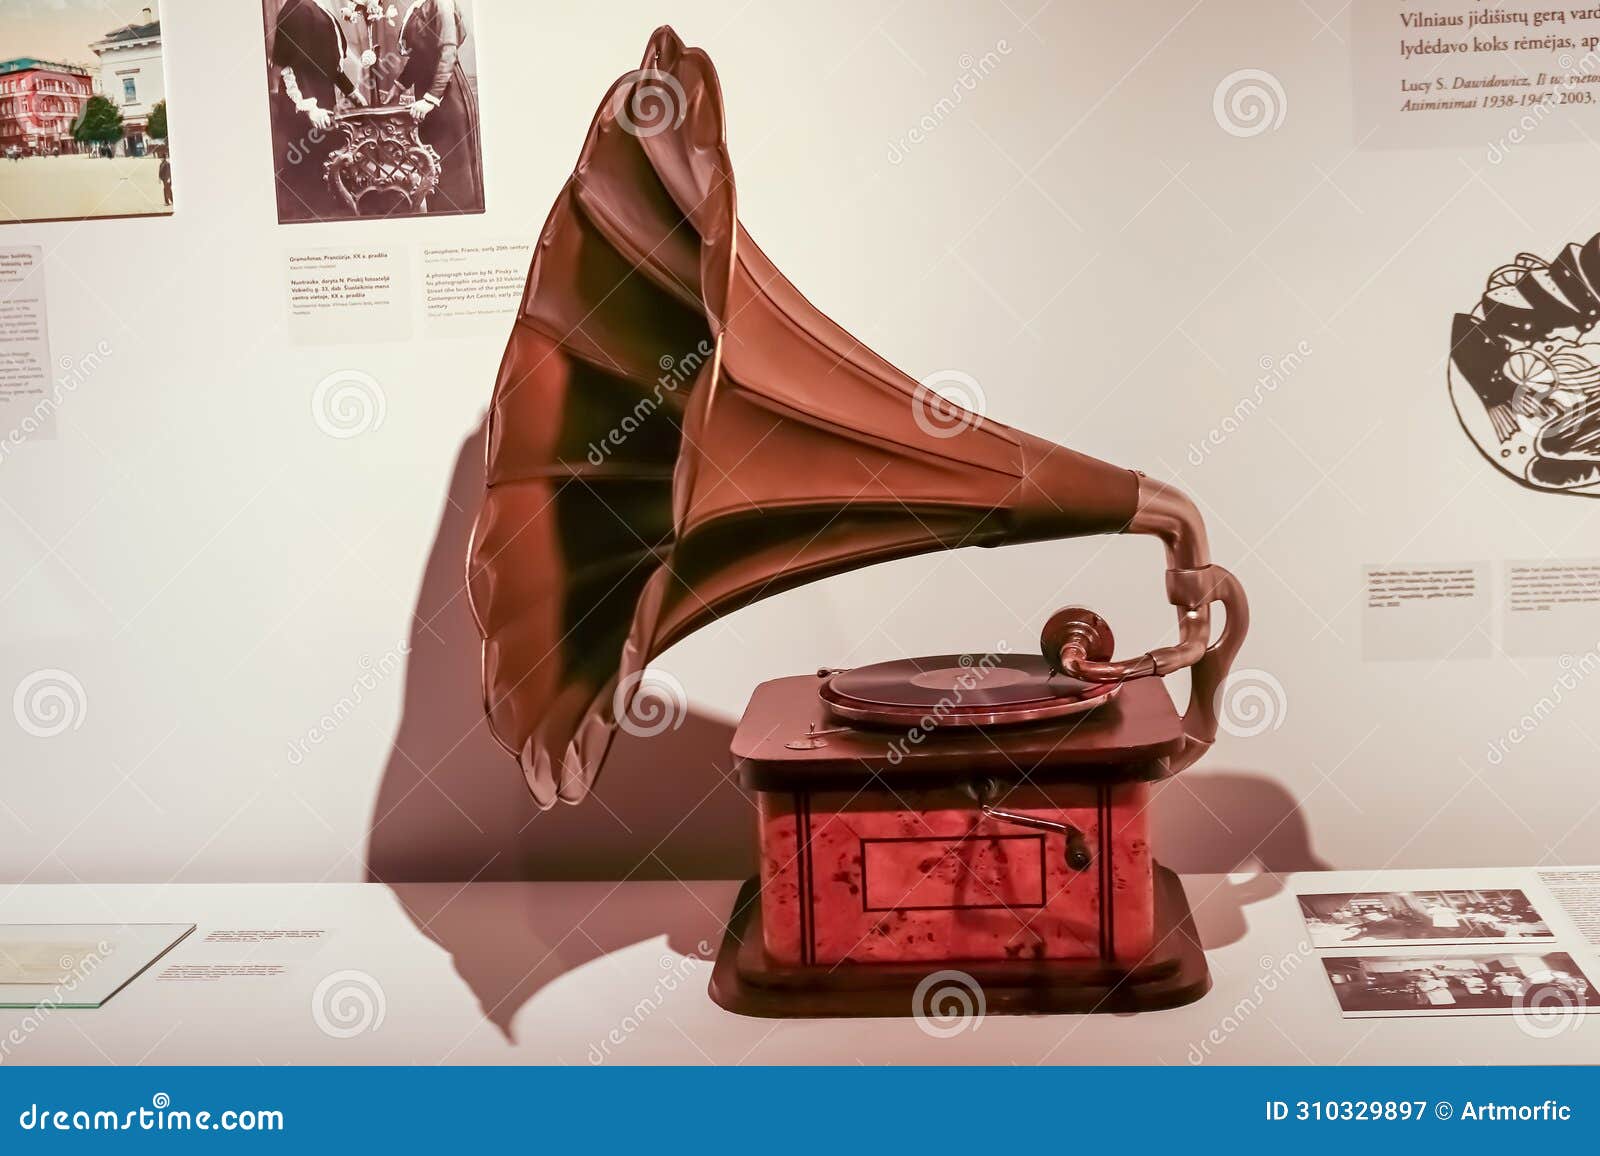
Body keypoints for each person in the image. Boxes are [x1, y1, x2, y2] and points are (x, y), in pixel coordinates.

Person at [270, 0, 366, 220]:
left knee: (322, 167)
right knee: (306, 175)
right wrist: (309, 108)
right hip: (304, 106)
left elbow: (326, 64)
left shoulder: (314, 6)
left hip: (322, 100)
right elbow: (289, 65)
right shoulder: (297, 8)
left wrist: (351, 92)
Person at [395, 0, 482, 214]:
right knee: (435, 172)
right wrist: (397, 87)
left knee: (452, 175)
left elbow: (448, 53)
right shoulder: (420, 5)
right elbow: (419, 56)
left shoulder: (441, 3)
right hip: (427, 99)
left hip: (447, 99)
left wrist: (431, 98)